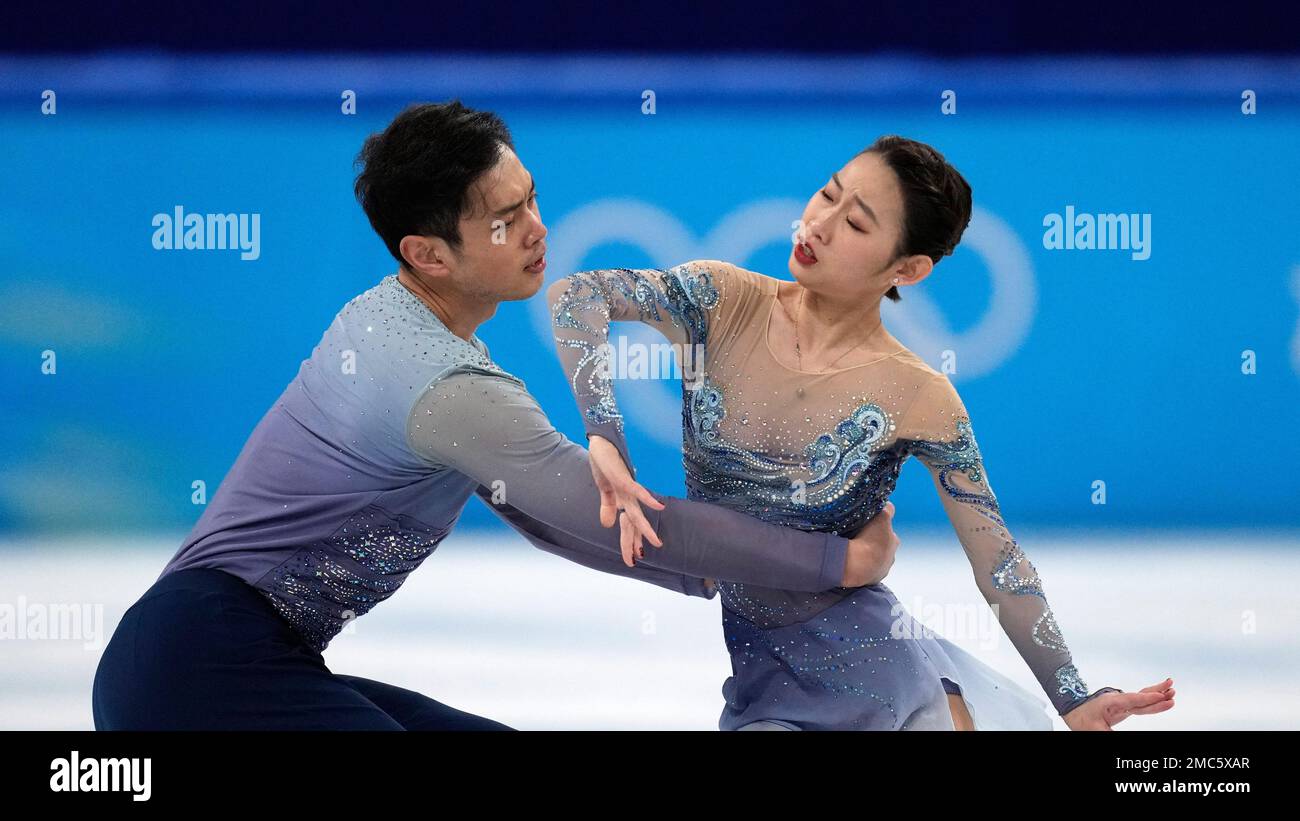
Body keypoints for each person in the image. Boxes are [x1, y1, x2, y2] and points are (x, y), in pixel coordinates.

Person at [90, 101, 900, 731]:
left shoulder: (409, 338)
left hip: (224, 660)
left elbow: (553, 521)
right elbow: (614, 515)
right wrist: (831, 562)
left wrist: (731, 570)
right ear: (428, 253)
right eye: (505, 220)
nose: (539, 230)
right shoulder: (445, 385)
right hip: (197, 663)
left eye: (532, 198)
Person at [546, 135, 1177, 730]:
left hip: (888, 679)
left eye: (855, 223)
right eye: (828, 193)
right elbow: (577, 296)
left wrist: (1074, 694)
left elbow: (1000, 564)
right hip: (764, 681)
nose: (818, 223)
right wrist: (605, 437)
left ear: (909, 268)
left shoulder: (919, 395)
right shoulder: (722, 301)